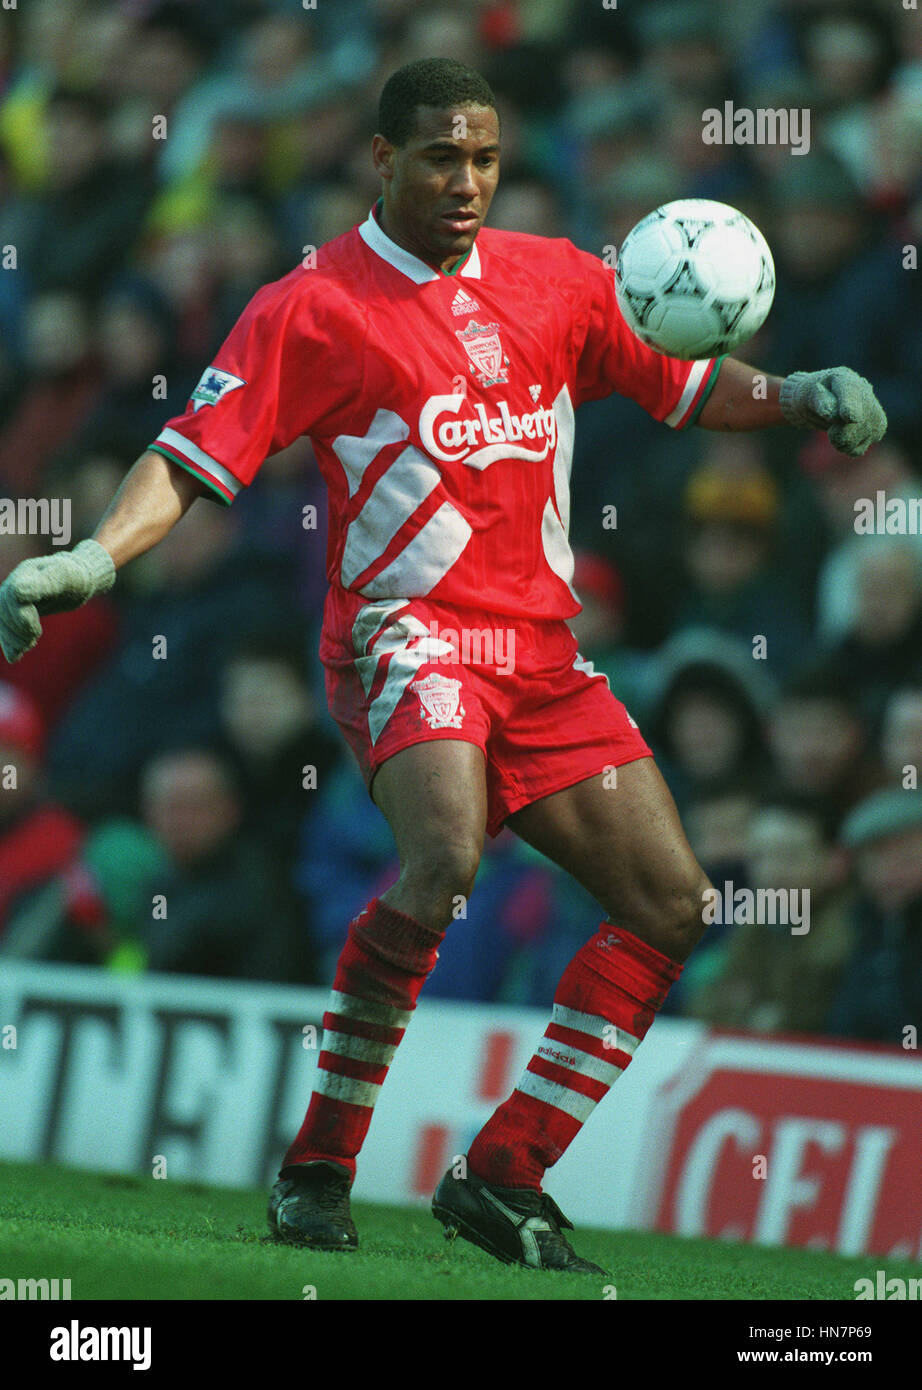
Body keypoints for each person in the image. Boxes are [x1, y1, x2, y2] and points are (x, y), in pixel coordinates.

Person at [0, 58, 888, 1275]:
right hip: (402, 637)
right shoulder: (311, 305)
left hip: (542, 654)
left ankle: (503, 1171)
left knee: (673, 902)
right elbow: (191, 451)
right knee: (443, 856)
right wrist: (94, 557)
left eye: (482, 159)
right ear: (382, 159)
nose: (466, 182)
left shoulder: (561, 277)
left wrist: (792, 391)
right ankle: (319, 1161)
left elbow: (682, 384)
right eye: (438, 158)